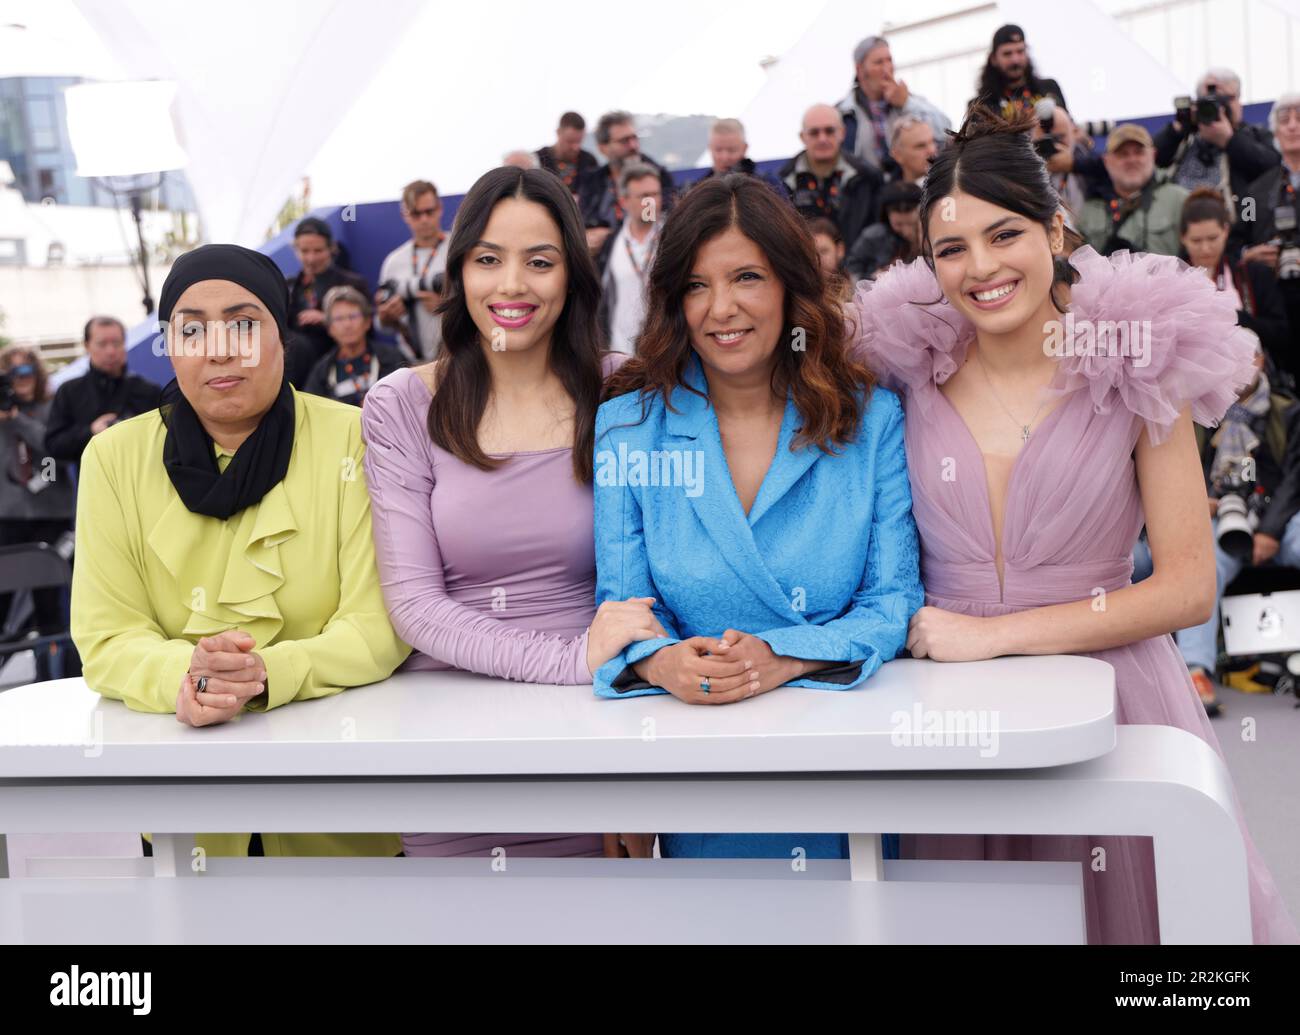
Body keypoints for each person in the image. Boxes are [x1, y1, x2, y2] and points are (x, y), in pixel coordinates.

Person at [848, 107, 1297, 944]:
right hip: (952, 720)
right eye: (951, 249)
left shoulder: (1137, 356)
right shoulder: (904, 368)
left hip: (1113, 705)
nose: (980, 267)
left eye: (1004, 234)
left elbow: (1189, 587)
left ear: (1056, 227)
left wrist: (999, 635)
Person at [593, 173, 923, 862]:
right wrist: (660, 665)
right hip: (700, 770)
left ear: (790, 286)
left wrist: (785, 656)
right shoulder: (626, 427)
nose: (721, 308)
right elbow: (620, 609)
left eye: (747, 276)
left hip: (847, 769)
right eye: (695, 284)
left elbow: (892, 601)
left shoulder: (872, 421)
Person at [70, 243, 411, 859]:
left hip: (341, 798)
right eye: (192, 329)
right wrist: (187, 677)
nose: (220, 348)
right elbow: (106, 637)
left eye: (244, 324)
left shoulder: (354, 439)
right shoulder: (114, 460)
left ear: (283, 338)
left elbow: (378, 625)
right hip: (185, 804)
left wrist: (264, 676)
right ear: (171, 347)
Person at [361, 166, 658, 859]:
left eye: (541, 261)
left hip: (598, 737)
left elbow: (654, 580)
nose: (513, 285)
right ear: (459, 270)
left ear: (573, 277)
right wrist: (574, 659)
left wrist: (638, 782)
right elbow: (414, 607)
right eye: (488, 259)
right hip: (455, 746)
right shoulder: (402, 404)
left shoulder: (622, 389)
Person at [1132, 339, 1300, 716]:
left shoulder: (1286, 410)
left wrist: (1269, 530)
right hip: (1213, 519)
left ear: (1261, 360)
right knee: (1202, 562)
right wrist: (1197, 498)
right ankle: (1196, 669)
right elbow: (1172, 469)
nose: (1241, 366)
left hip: (1276, 517)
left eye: (1249, 357)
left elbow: (1294, 479)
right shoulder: (1197, 408)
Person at [0, 344, 78, 680]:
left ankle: (53, 679)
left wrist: (18, 420)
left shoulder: (53, 407)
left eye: (26, 371)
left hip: (51, 517)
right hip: (9, 520)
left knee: (51, 608)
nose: (21, 380)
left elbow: (55, 449)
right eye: (12, 374)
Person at [1178, 188, 1292, 380]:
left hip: (1250, 382)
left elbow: (1281, 334)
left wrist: (1237, 318)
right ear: (1183, 238)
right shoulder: (1172, 280)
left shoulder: (1252, 274)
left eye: (1213, 238)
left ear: (1226, 231)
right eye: (1196, 241)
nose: (1205, 248)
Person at [1154, 68, 1279, 212]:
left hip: (1239, 222)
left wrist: (1230, 140)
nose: (1219, 107)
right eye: (1209, 101)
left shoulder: (1256, 135)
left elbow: (1271, 167)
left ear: (1239, 102)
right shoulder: (1182, 140)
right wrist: (1178, 129)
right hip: (1181, 224)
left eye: (1227, 99)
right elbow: (1149, 159)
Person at [44, 317, 161, 463]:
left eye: (116, 343)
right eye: (102, 344)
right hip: (92, 481)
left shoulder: (148, 391)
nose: (111, 351)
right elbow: (53, 446)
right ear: (87, 346)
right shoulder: (69, 392)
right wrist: (91, 431)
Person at [837, 35, 949, 174]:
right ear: (860, 69)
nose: (887, 69)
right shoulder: (843, 113)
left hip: (910, 189)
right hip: (866, 191)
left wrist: (906, 103)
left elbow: (946, 130)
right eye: (878, 62)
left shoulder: (911, 101)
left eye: (889, 60)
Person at [779, 104, 882, 252]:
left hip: (858, 270)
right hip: (802, 269)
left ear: (843, 133)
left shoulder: (869, 178)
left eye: (829, 131)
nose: (822, 139)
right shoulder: (780, 182)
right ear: (802, 137)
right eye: (814, 132)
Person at [1077, 123, 1188, 257]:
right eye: (1122, 154)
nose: (1131, 160)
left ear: (1153, 155)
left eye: (1139, 152)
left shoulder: (1181, 200)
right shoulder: (1089, 209)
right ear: (1106, 161)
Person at [284, 216, 369, 387]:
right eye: (304, 251)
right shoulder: (290, 286)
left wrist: (329, 319)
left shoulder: (352, 283)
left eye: (318, 251)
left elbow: (369, 325)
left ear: (331, 248)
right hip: (296, 362)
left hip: (336, 358)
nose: (311, 259)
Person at [577, 111, 676, 256]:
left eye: (634, 138)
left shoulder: (658, 178)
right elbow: (583, 227)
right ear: (603, 148)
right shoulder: (591, 183)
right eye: (624, 141)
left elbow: (654, 222)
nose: (633, 146)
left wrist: (611, 237)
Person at [375, 180, 448, 362]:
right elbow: (381, 325)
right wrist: (387, 316)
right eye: (416, 214)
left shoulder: (459, 249)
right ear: (405, 215)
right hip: (412, 361)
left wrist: (448, 306)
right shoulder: (394, 261)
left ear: (440, 209)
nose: (424, 219)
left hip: (457, 355)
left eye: (429, 212)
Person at [596, 163, 663, 354]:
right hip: (620, 355)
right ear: (623, 200)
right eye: (643, 196)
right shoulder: (611, 243)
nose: (652, 202)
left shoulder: (675, 238)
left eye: (655, 194)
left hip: (665, 354)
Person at [303, 285, 408, 406]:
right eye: (339, 319)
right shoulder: (321, 373)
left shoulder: (393, 358)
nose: (347, 324)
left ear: (367, 322)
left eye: (353, 316)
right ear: (329, 328)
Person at [969, 23, 1066, 118]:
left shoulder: (1049, 88)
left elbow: (1071, 130)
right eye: (1007, 54)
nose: (1015, 60)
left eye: (1020, 51)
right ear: (993, 59)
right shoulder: (980, 107)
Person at [845, 181, 923, 281]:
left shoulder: (926, 236)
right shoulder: (873, 236)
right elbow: (852, 270)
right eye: (898, 224)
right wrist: (871, 278)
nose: (906, 231)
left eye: (911, 224)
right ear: (887, 216)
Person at [535, 110, 598, 196]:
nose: (575, 147)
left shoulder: (589, 161)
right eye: (570, 141)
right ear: (558, 132)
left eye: (579, 141)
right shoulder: (538, 159)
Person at [806, 216, 851, 300]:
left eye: (824, 251)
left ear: (840, 250)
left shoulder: (855, 290)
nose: (817, 259)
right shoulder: (804, 296)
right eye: (812, 253)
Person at [887, 114, 937, 186]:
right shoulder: (888, 195)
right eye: (920, 146)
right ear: (898, 155)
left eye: (933, 141)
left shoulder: (952, 186)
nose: (932, 150)